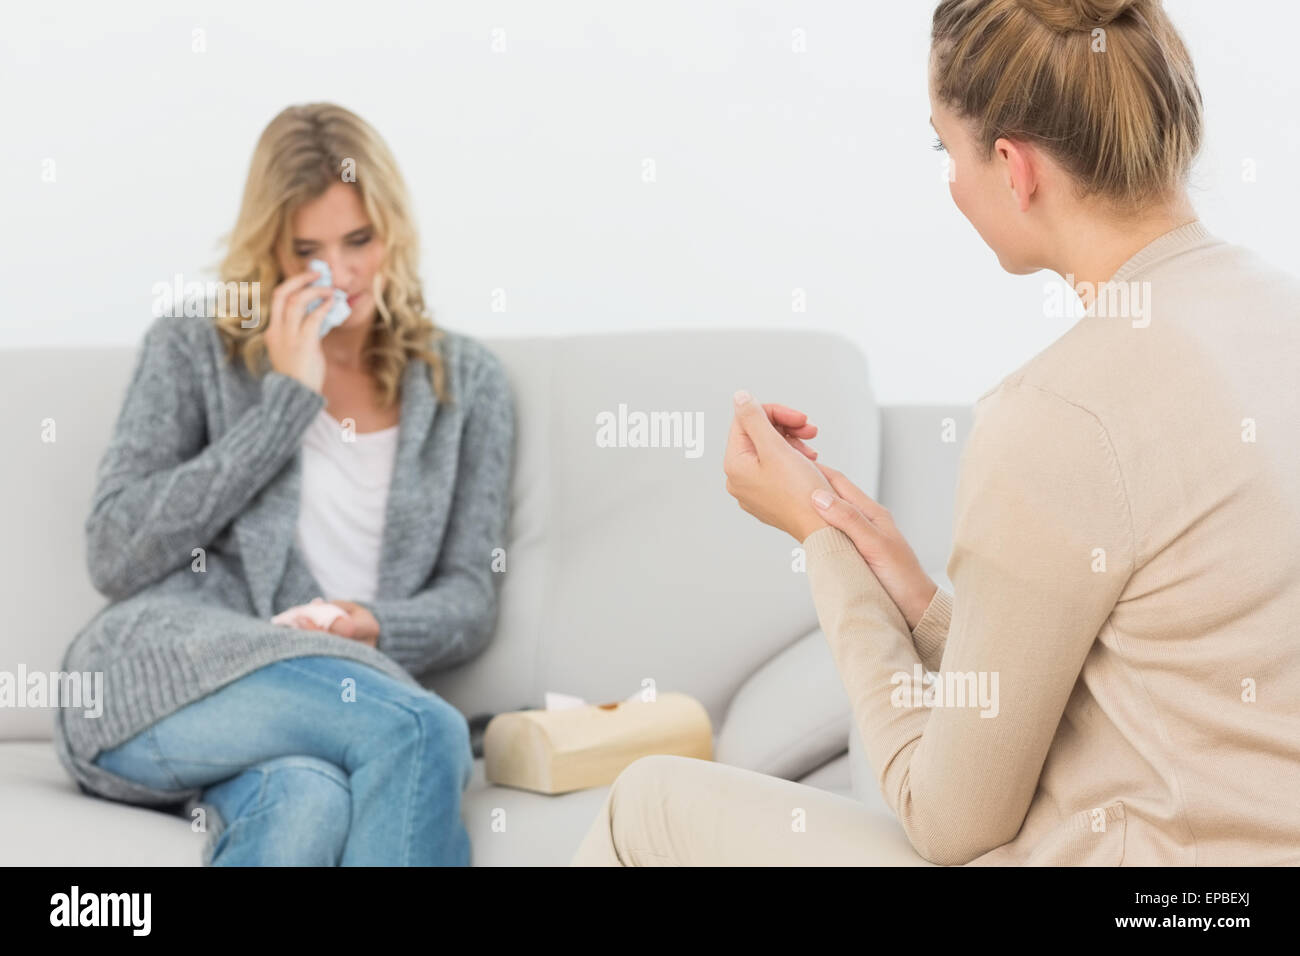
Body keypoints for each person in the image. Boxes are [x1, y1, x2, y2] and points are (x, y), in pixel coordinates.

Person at [573, 0, 1300, 866]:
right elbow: (1151, 677)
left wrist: (821, 542)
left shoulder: (1059, 413)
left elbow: (949, 820)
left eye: (942, 148)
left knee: (647, 804)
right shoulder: (1276, 317)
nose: (950, 181)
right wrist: (917, 602)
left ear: (1012, 166)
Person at [53, 103, 516, 866]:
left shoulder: (466, 385)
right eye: (309, 250)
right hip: (154, 679)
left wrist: (369, 622)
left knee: (306, 801)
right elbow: (114, 551)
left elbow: (470, 598)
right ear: (270, 249)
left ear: (392, 227)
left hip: (321, 710)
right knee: (419, 727)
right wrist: (285, 405)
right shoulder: (193, 350)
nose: (340, 272)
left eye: (359, 239)